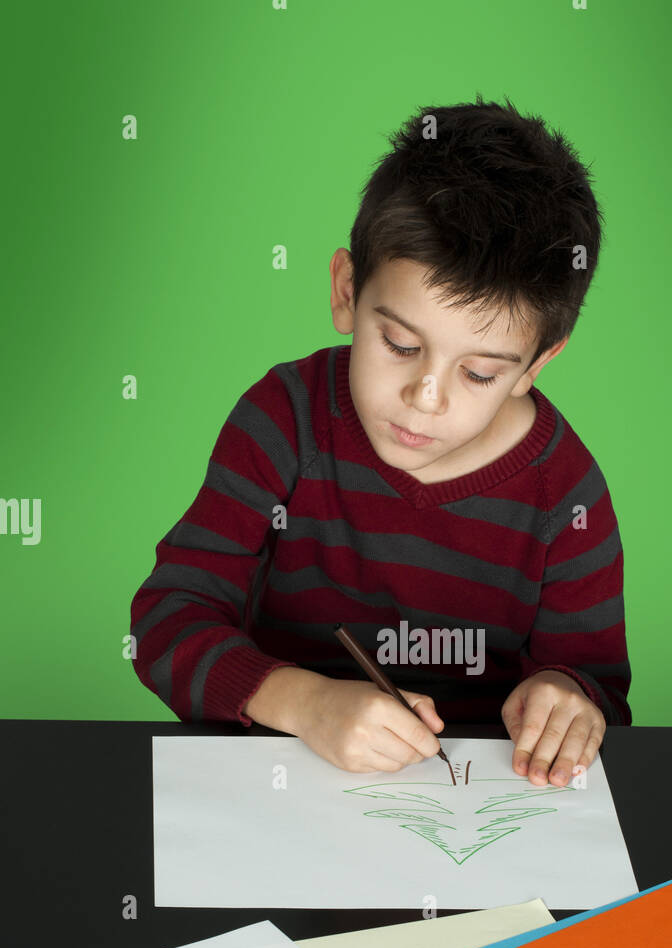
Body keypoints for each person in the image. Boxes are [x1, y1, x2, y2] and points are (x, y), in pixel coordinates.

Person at [130, 97, 631, 787]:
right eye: (399, 344)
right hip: (276, 787)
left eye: (479, 372)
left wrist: (566, 699)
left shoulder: (565, 496)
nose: (425, 398)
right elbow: (166, 621)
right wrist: (304, 702)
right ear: (346, 291)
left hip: (477, 816)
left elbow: (596, 689)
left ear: (537, 364)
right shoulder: (286, 419)